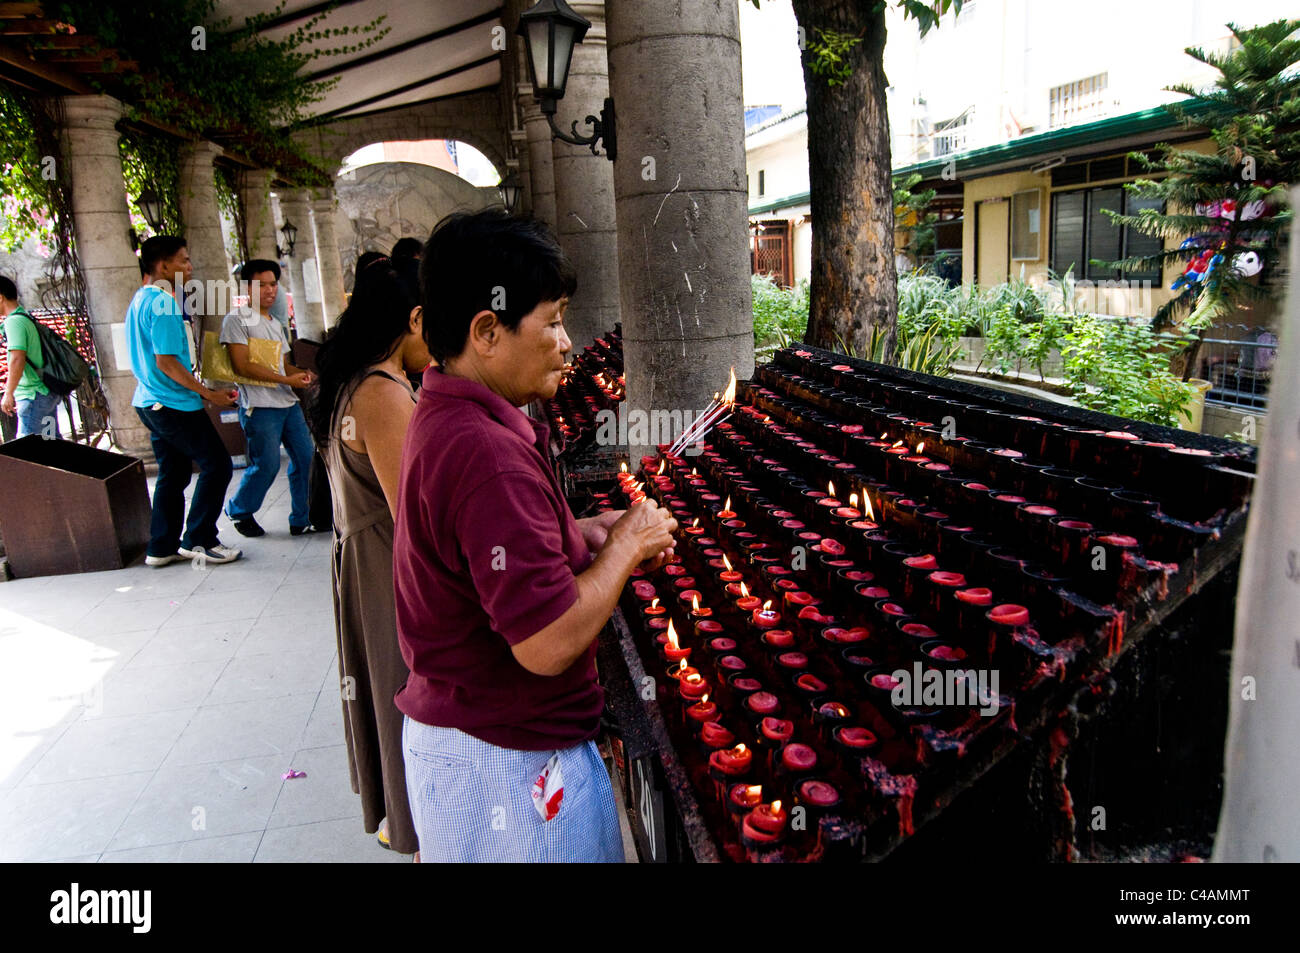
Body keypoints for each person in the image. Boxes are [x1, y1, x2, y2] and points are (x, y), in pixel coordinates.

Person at [393, 209, 677, 862]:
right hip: (508, 767)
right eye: (550, 321)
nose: (567, 341)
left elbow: (474, 550)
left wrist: (571, 532)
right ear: (487, 330)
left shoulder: (445, 413)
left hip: (469, 740)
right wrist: (628, 545)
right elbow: (547, 641)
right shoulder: (485, 451)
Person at [307, 257, 429, 858]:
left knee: (386, 688)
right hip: (385, 565)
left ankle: (400, 815)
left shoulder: (360, 379)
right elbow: (414, 512)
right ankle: (415, 822)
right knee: (401, 688)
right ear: (413, 319)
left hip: (363, 559)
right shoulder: (382, 393)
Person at [127, 236, 241, 567]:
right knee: (217, 464)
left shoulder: (141, 299)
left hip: (150, 402)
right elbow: (166, 361)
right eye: (183, 261)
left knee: (173, 474)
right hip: (172, 403)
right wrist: (209, 394)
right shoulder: (162, 303)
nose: (190, 268)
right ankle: (199, 538)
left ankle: (161, 546)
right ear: (163, 266)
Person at [220, 259, 318, 537]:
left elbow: (283, 365)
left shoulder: (275, 322)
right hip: (259, 406)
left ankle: (302, 517)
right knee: (268, 464)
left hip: (287, 403)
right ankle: (239, 509)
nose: (268, 290)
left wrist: (302, 375)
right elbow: (242, 366)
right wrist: (287, 379)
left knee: (306, 456)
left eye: (273, 284)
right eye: (260, 284)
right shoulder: (236, 320)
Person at [0, 276, 61, 439]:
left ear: (0, 298)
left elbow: (17, 358)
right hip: (45, 393)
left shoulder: (13, 322)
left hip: (33, 395)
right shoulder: (25, 318)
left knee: (27, 450)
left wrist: (8, 393)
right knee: (52, 444)